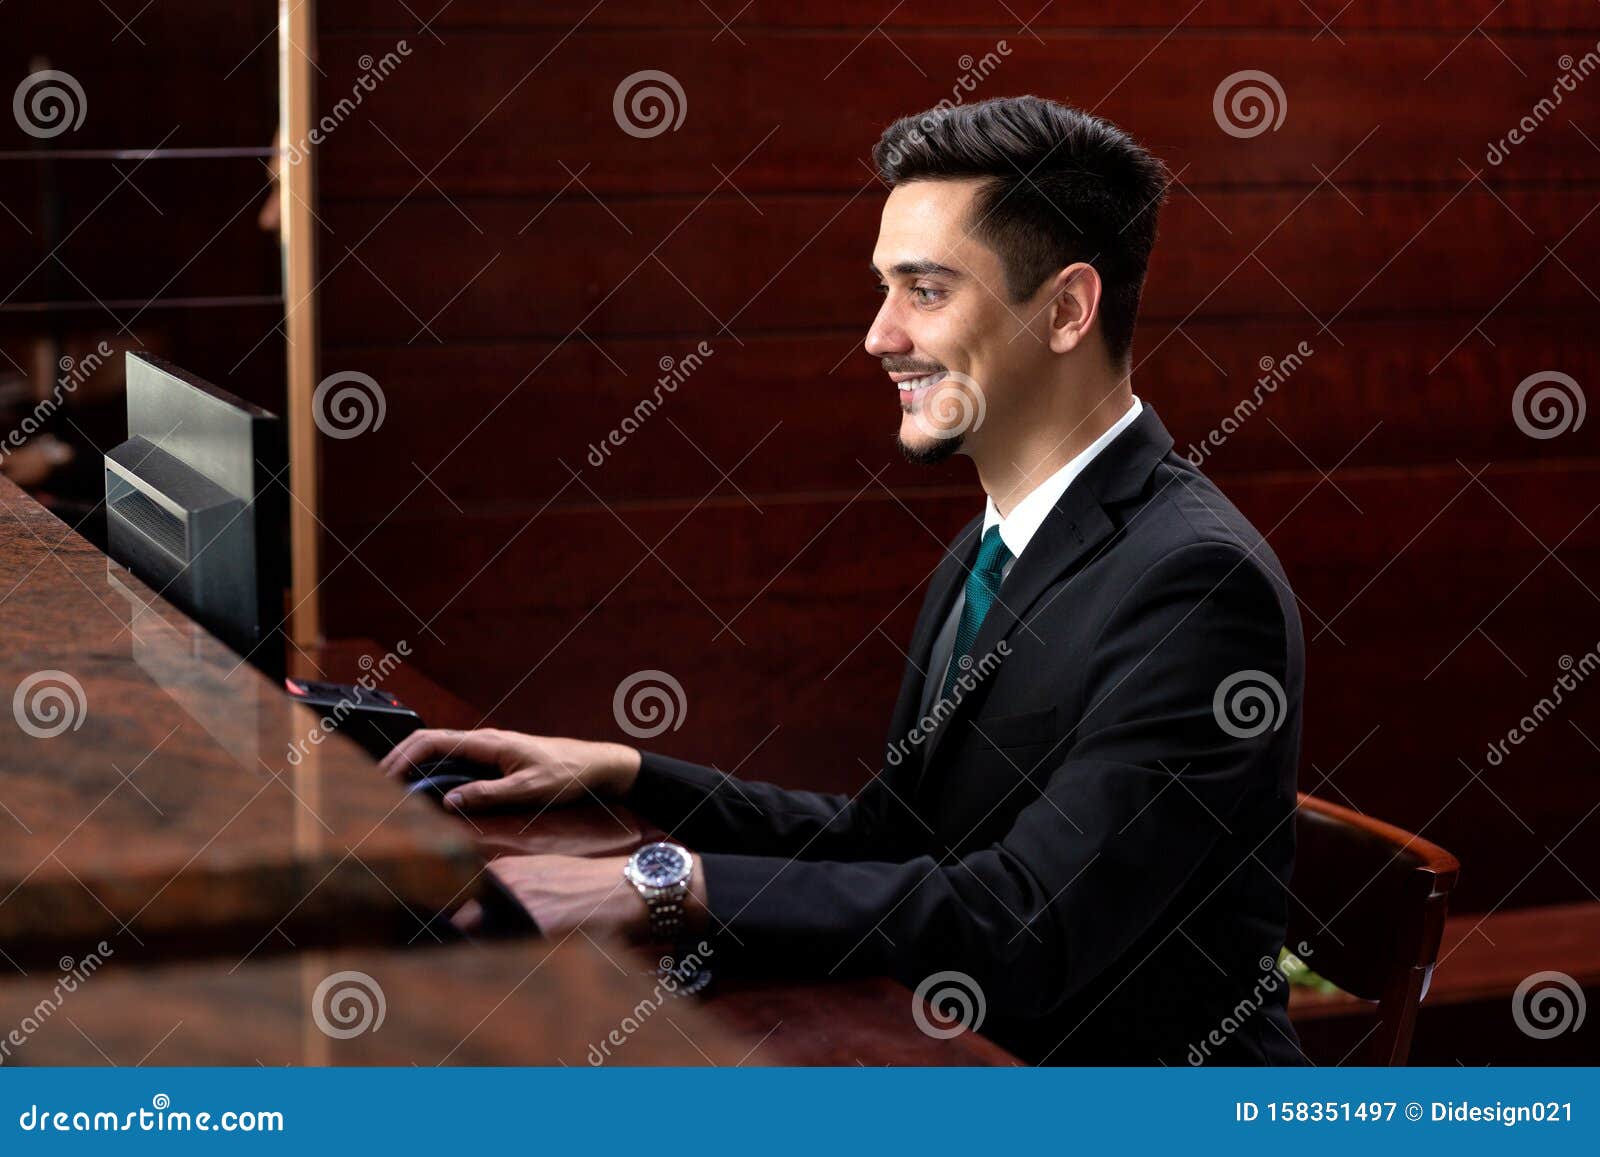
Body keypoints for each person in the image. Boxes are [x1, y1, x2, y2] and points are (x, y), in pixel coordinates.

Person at [379, 95, 1306, 1066]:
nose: (878, 335)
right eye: (883, 288)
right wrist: (631, 772)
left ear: (1067, 308)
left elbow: (1025, 921)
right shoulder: (988, 546)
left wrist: (663, 878)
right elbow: (891, 836)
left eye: (926, 290)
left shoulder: (1198, 584)